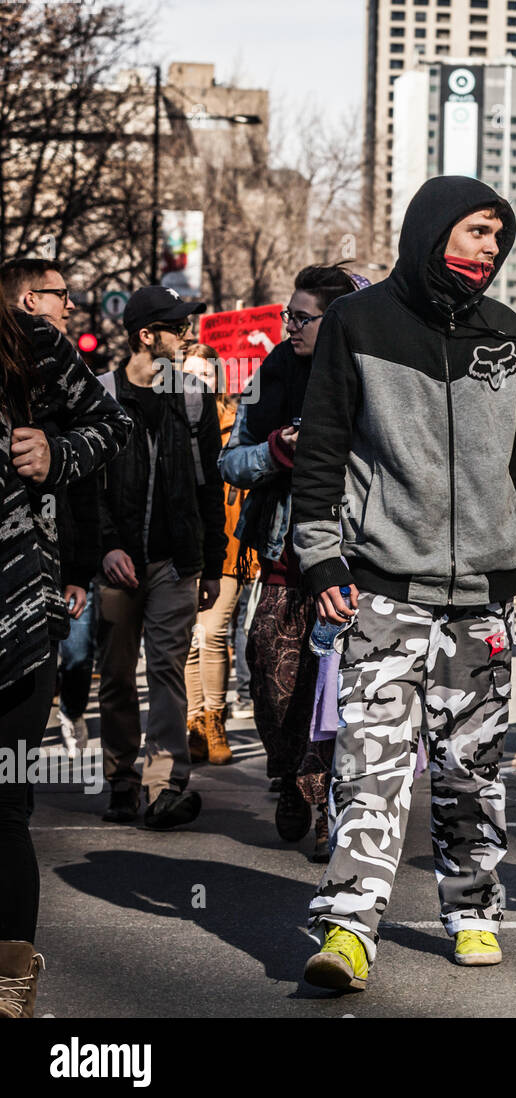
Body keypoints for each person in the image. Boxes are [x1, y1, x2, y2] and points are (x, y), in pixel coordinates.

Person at [292, 176, 516, 990]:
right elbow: (322, 448)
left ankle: (473, 909)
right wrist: (321, 557)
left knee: (470, 767)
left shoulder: (507, 335)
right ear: (434, 228)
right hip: (379, 588)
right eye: (475, 230)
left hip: (482, 596)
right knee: (368, 764)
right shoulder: (357, 322)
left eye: (497, 236)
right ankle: (347, 929)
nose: (488, 247)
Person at [0, 292, 130, 1016]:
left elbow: (111, 424)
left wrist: (56, 452)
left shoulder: (30, 344)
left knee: (3, 809)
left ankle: (9, 976)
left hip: (14, 623)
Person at [219, 265, 359, 853]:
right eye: (288, 316)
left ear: (336, 322)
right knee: (273, 685)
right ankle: (287, 774)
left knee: (336, 691)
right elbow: (231, 463)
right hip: (281, 558)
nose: (290, 327)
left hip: (349, 561)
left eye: (303, 318)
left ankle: (326, 804)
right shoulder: (270, 372)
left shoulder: (366, 374)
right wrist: (278, 450)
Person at [96, 286, 225, 830]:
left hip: (176, 562)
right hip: (116, 565)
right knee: (119, 676)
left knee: (168, 670)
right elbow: (84, 488)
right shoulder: (98, 396)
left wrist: (213, 565)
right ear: (146, 335)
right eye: (176, 327)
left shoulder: (193, 397)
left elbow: (209, 488)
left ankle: (164, 785)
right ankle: (121, 778)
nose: (187, 334)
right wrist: (105, 547)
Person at [3, 258, 98, 751]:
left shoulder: (53, 369)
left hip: (35, 591)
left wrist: (55, 453)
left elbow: (86, 486)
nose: (70, 305)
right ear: (29, 299)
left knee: (13, 791)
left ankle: (73, 716)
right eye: (61, 294)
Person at [182, 343, 247, 766]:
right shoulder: (169, 424)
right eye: (187, 375)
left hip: (225, 549)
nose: (195, 383)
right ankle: (195, 724)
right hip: (180, 548)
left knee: (212, 633)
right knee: (188, 641)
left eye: (204, 376)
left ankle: (216, 718)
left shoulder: (234, 423)